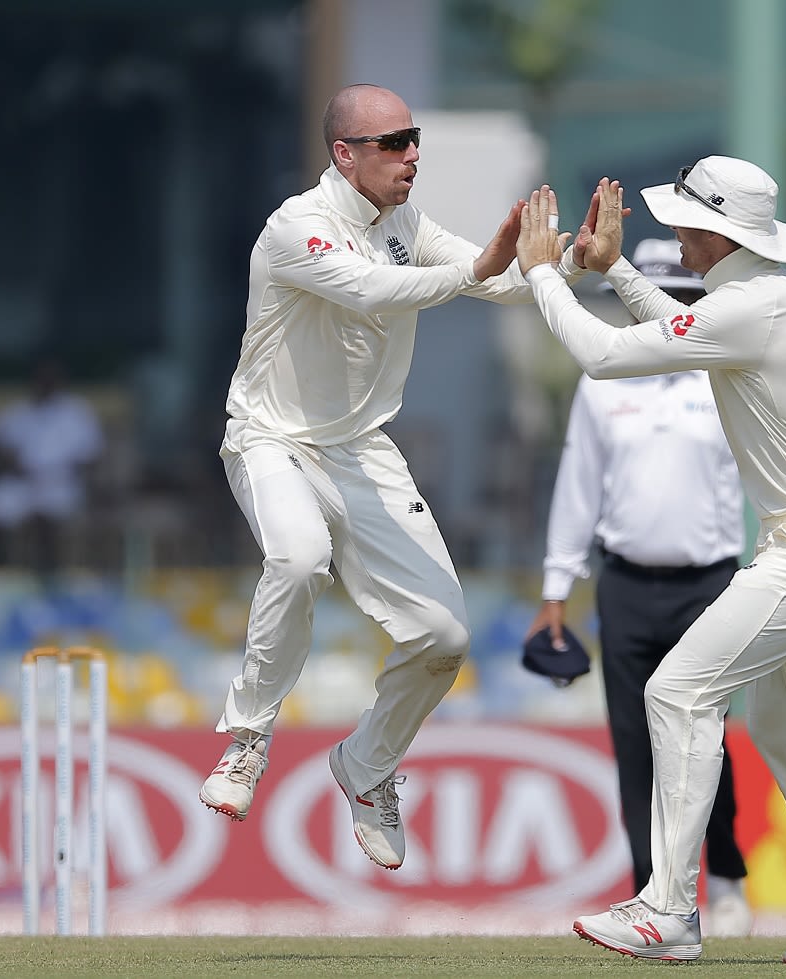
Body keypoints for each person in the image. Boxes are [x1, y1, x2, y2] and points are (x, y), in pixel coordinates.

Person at [514, 159, 786, 964]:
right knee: (776, 715)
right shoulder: (756, 301)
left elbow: (607, 356)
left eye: (683, 222)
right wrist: (615, 267)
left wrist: (541, 278)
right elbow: (679, 334)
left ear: (715, 233)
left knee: (679, 689)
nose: (673, 232)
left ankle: (669, 906)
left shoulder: (759, 305)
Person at [198, 84, 589, 872]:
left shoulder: (405, 222)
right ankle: (247, 736)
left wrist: (574, 262)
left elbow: (498, 283)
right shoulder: (295, 226)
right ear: (346, 155)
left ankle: (367, 764)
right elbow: (372, 290)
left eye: (415, 138)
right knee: (300, 555)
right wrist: (478, 268)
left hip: (360, 448)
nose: (413, 153)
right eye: (395, 141)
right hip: (271, 436)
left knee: (444, 638)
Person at [526, 238, 753, 939]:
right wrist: (556, 588)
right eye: (645, 299)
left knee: (703, 737)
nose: (662, 314)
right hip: (624, 584)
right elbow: (578, 484)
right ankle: (650, 897)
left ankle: (725, 874)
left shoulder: (722, 379)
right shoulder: (606, 382)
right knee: (636, 746)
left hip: (709, 584)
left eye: (680, 299)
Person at [0, 357, 105, 579]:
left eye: (50, 380)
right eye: (41, 380)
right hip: (22, 482)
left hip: (60, 483)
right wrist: (7, 460)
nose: (45, 384)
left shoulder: (76, 412)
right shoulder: (19, 412)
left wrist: (71, 471)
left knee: (46, 516)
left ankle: (48, 574)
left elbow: (92, 455)